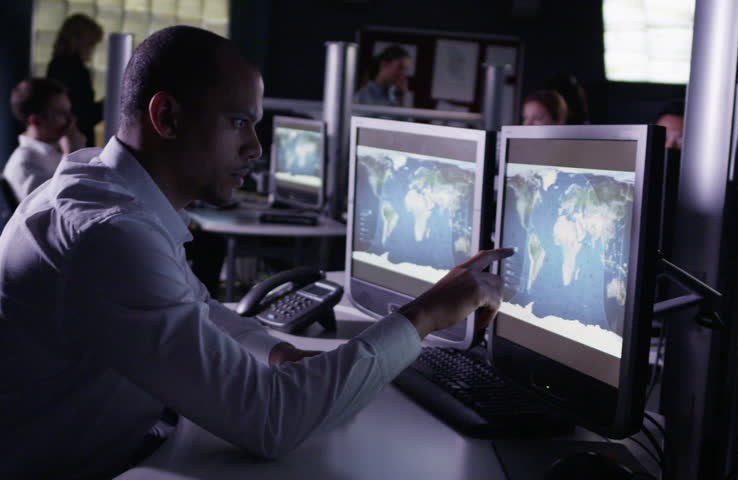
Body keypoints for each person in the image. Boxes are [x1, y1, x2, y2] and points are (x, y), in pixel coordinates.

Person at [0, 26, 511, 479]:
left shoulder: (98, 182)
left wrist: (277, 351)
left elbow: (197, 306)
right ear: (167, 116)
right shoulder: (111, 235)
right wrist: (425, 314)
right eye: (239, 123)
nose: (256, 149)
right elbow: (270, 421)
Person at [3, 77, 85, 201]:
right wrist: (73, 156)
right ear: (35, 120)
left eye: (69, 111)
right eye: (61, 113)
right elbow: (63, 209)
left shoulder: (55, 151)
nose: (71, 119)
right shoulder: (25, 165)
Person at [47, 13, 104, 147]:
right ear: (80, 41)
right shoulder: (75, 69)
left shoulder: (56, 64)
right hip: (74, 141)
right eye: (91, 44)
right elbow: (82, 115)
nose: (92, 50)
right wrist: (110, 102)